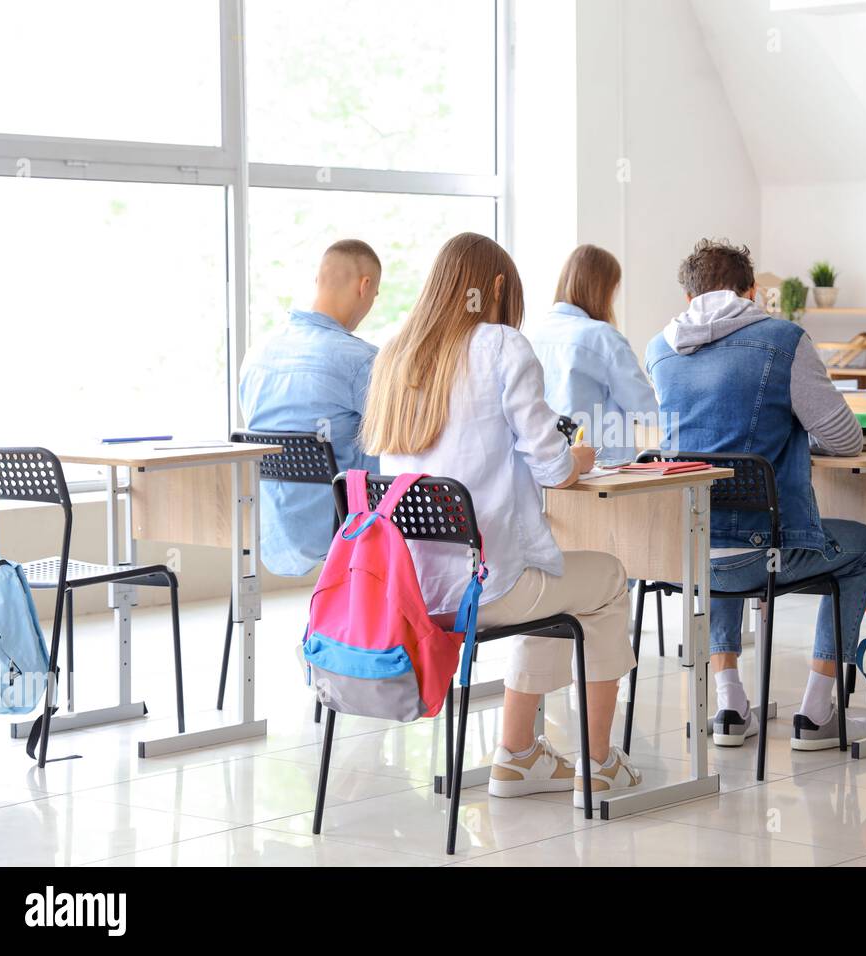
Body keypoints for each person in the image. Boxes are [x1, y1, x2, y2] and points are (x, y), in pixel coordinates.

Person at [361, 232, 641, 809]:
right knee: (608, 578)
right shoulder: (502, 347)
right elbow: (553, 466)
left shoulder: (395, 354)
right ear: (494, 287)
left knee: (552, 577)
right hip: (483, 586)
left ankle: (519, 756)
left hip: (410, 590)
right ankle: (599, 763)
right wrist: (578, 457)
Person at [645, 239, 866, 750]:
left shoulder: (658, 350)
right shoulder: (784, 339)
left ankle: (728, 702)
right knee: (862, 543)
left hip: (685, 555)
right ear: (753, 292)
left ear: (689, 298)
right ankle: (817, 714)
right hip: (762, 554)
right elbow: (845, 438)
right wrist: (796, 428)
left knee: (716, 521)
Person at [239, 239, 382, 576]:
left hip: (266, 526)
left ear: (318, 281)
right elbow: (406, 434)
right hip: (339, 527)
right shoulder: (362, 361)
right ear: (365, 286)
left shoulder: (257, 354)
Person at [524, 244, 659, 460]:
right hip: (600, 467)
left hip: (548, 465)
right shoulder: (602, 337)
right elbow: (647, 409)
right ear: (601, 290)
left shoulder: (535, 333)